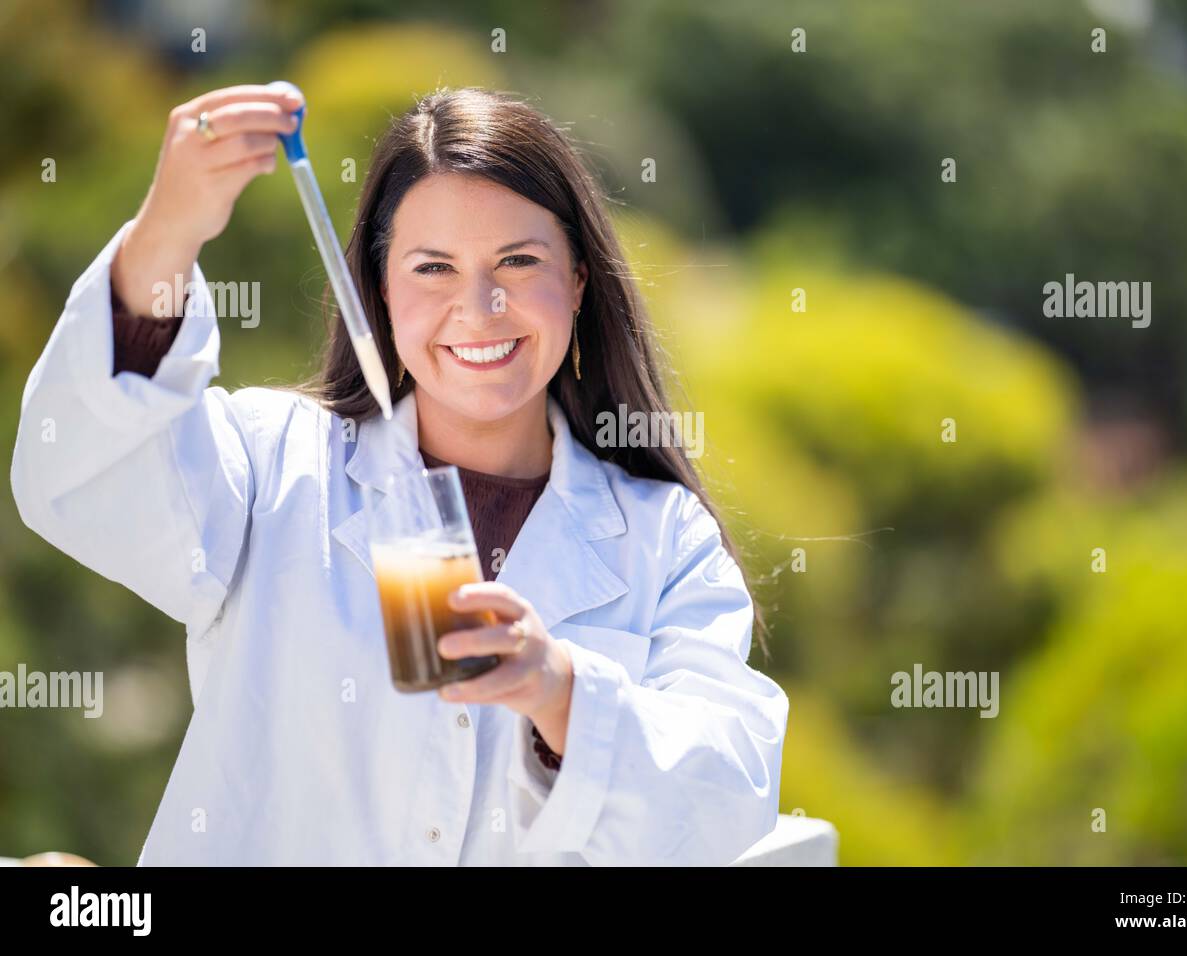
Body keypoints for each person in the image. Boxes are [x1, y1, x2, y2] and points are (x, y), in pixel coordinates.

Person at [10, 83, 789, 866]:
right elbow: (79, 475)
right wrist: (167, 233)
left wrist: (557, 689)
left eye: (519, 261)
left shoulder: (664, 537)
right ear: (380, 292)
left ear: (579, 280)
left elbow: (726, 802)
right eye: (433, 268)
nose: (479, 308)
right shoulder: (273, 464)